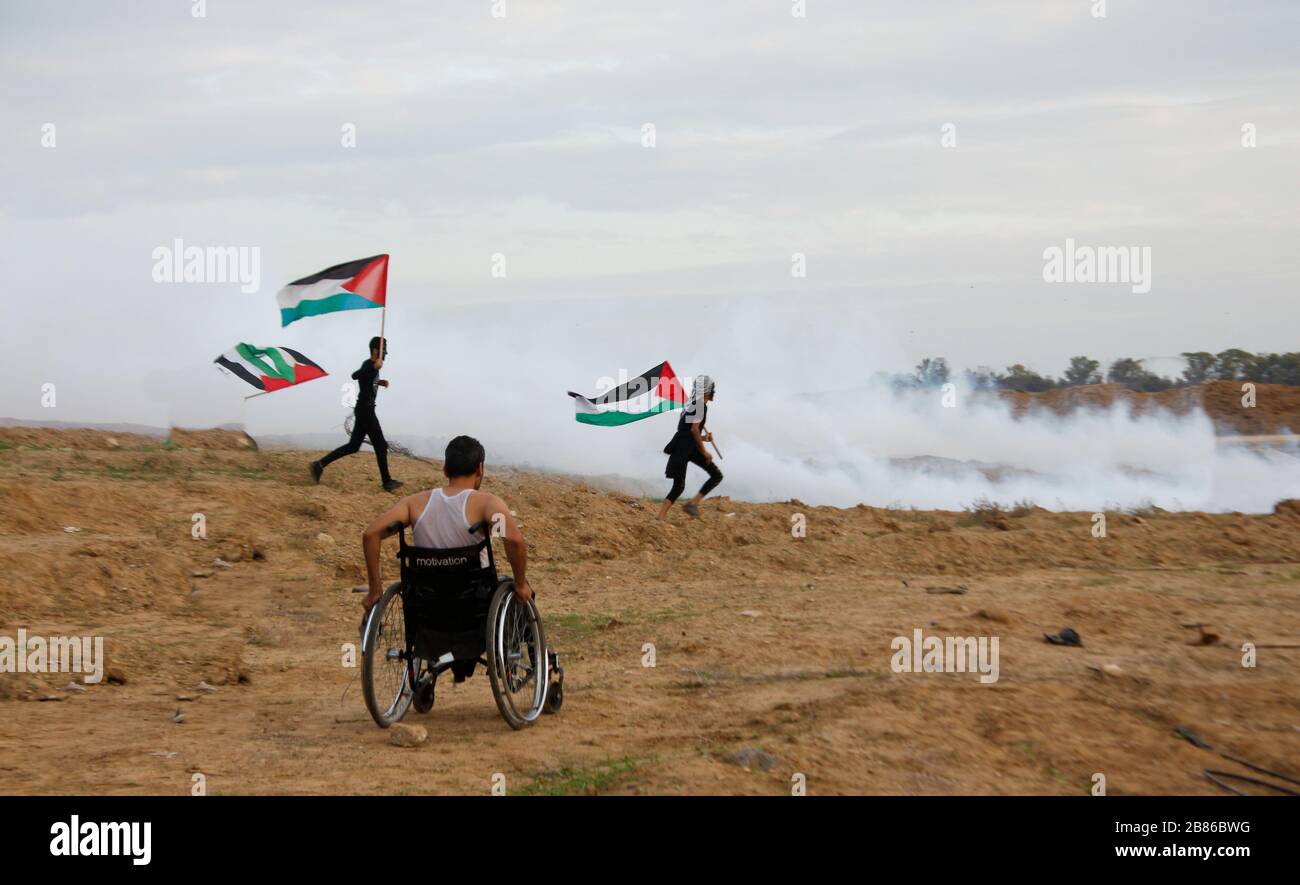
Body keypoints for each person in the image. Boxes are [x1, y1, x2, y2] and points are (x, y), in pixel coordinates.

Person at [358, 435, 532, 628]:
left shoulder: (414, 503)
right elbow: (514, 540)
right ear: (480, 469)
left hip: (427, 603)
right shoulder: (487, 503)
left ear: (445, 469)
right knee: (520, 592)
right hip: (474, 604)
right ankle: (529, 653)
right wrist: (520, 583)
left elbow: (370, 534)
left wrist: (375, 589)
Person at [310, 336, 403, 492]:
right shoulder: (369, 365)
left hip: (364, 410)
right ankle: (387, 481)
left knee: (353, 446)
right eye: (383, 352)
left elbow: (361, 378)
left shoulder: (371, 367)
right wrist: (375, 368)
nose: (385, 355)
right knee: (380, 445)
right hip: (366, 411)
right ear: (375, 351)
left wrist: (378, 381)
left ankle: (318, 465)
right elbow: (360, 374)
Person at [657, 375, 723, 520]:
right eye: (712, 389)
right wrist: (704, 452)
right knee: (716, 475)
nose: (714, 392)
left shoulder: (691, 405)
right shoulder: (700, 405)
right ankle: (691, 504)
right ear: (706, 390)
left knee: (679, 485)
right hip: (688, 448)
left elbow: (689, 431)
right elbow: (693, 430)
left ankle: (662, 516)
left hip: (682, 447)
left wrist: (705, 438)